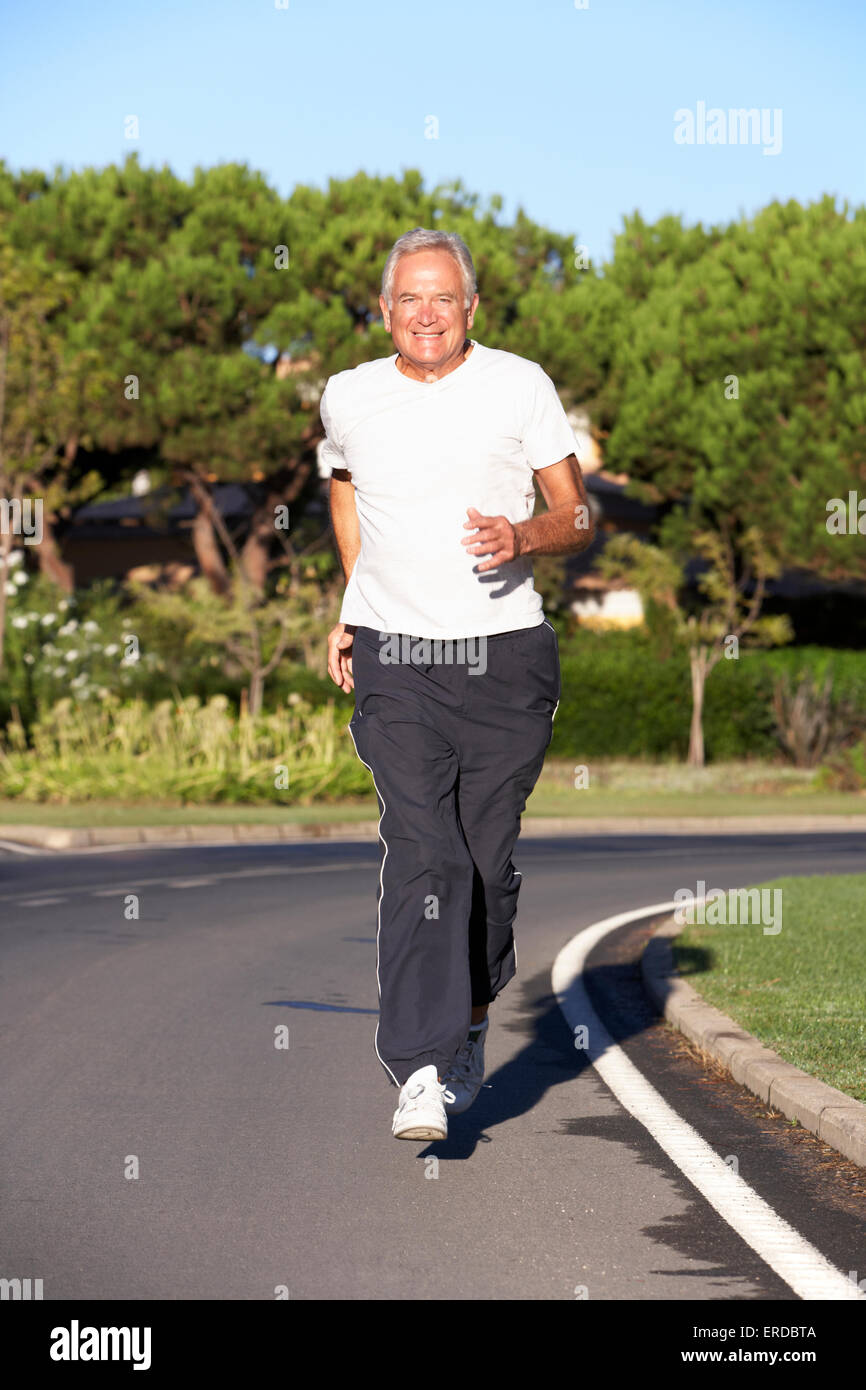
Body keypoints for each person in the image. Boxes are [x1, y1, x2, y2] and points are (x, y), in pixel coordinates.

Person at [320, 227, 594, 1141]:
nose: (426, 314)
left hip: (505, 656)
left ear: (470, 307)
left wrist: (524, 536)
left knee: (484, 868)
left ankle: (472, 1017)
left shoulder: (520, 385)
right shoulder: (349, 395)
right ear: (385, 308)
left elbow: (577, 513)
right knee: (423, 848)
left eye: (444, 298)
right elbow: (346, 489)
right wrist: (354, 602)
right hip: (396, 654)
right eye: (409, 298)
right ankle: (419, 1066)